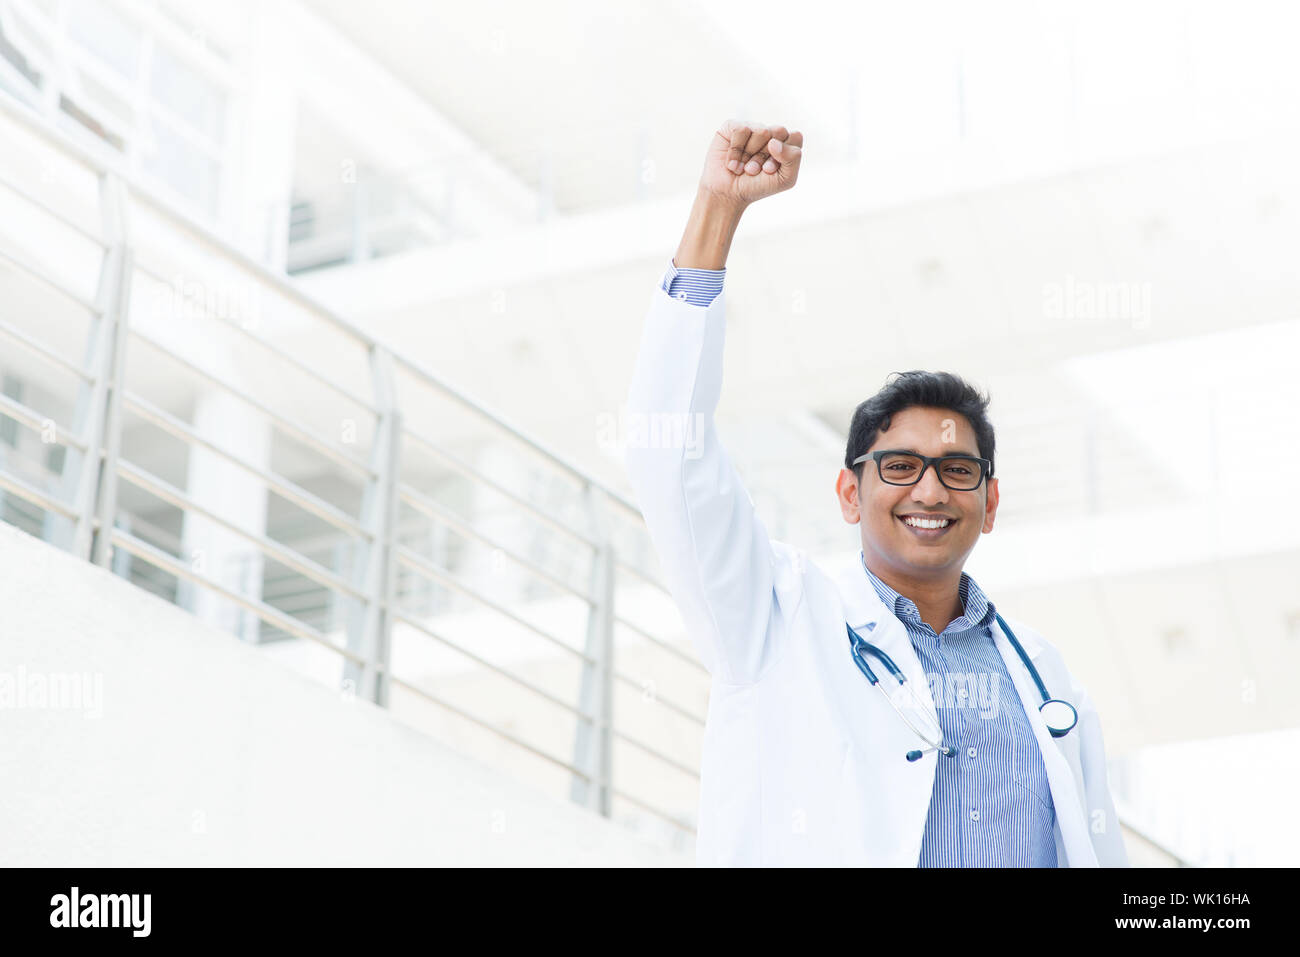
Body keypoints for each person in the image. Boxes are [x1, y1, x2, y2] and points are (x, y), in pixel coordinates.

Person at [623, 120, 1128, 867]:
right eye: (898, 465)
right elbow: (669, 455)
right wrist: (717, 210)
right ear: (849, 493)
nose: (930, 487)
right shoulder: (773, 618)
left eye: (958, 470)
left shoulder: (1045, 677)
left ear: (990, 504)